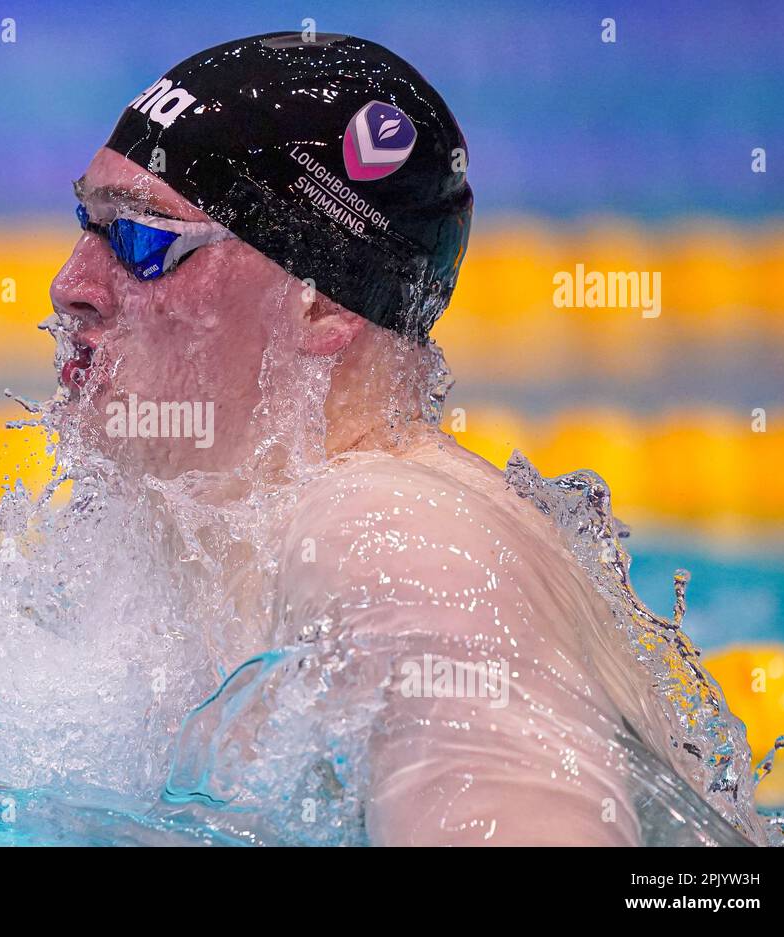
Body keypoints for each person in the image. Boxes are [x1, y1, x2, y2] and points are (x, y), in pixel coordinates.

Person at [48, 31, 656, 846]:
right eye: (86, 222)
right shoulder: (199, 519)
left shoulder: (392, 538)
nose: (71, 286)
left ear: (322, 304)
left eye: (140, 241)